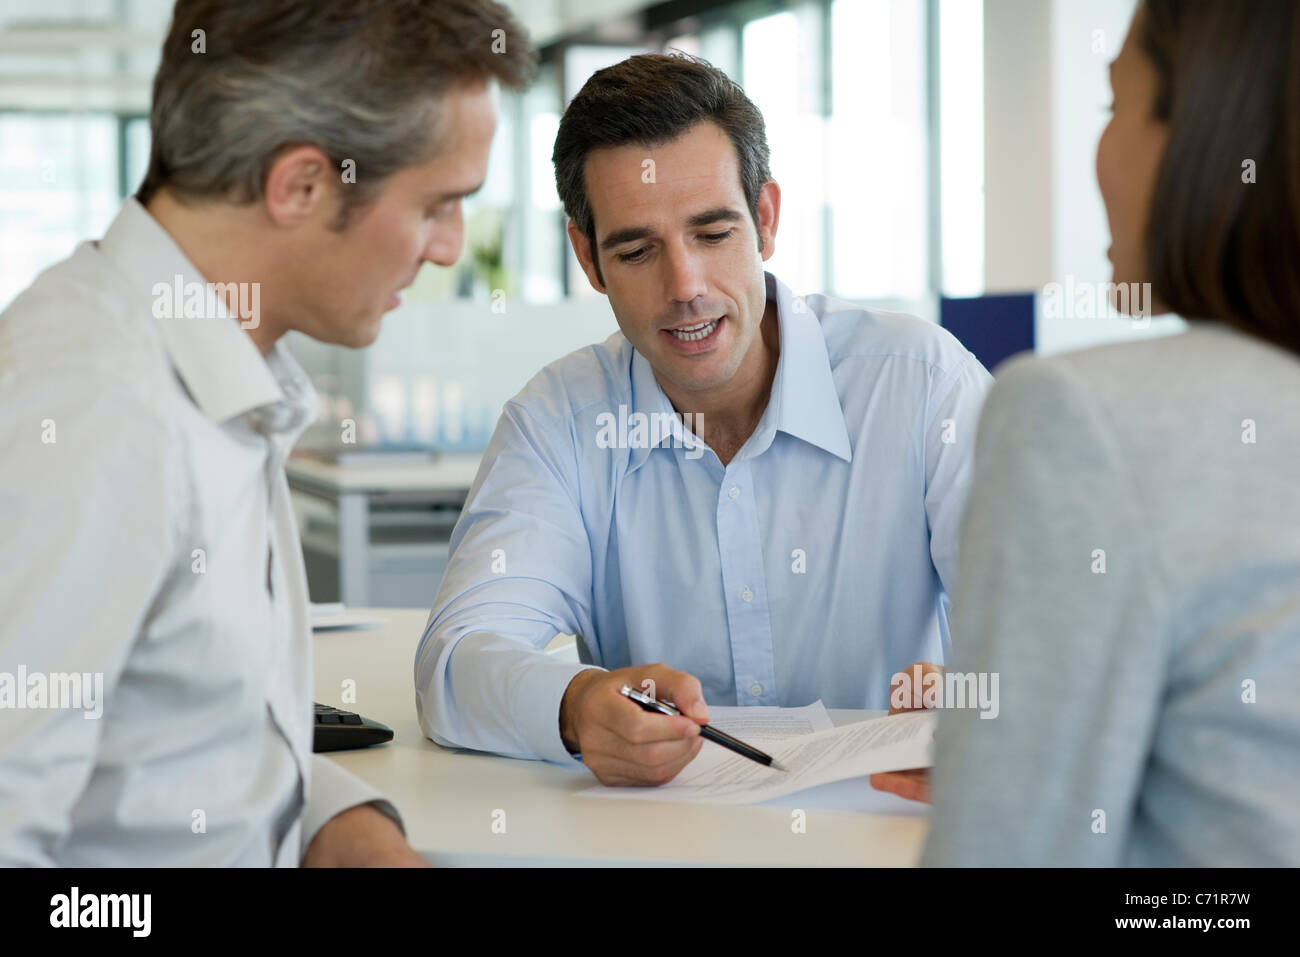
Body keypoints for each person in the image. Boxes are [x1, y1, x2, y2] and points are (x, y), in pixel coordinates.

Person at [0, 0, 535, 866]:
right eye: (439, 204)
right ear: (302, 186)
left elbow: (171, 741)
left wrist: (335, 818)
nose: (451, 248)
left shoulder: (205, 372)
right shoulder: (95, 414)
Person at [415, 53, 993, 786]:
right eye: (636, 249)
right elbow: (458, 655)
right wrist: (576, 702)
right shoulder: (559, 421)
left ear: (766, 219)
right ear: (588, 259)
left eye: (713, 234)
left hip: (891, 833)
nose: (684, 287)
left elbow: (1048, 619)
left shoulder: (919, 387)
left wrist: (982, 691)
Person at [876, 0, 1300, 865]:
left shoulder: (1080, 415)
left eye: (1114, 105)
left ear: (1209, 136)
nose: (1095, 155)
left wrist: (1001, 762)